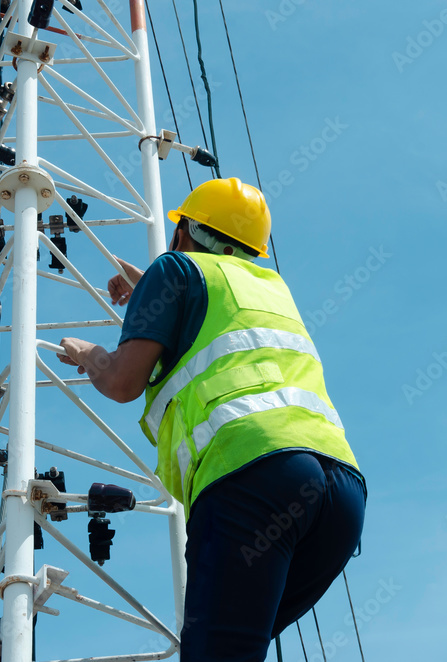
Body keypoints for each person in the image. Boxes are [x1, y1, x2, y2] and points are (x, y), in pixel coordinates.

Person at [58, 177, 365, 662]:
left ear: (187, 231)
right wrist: (149, 291)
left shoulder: (174, 268)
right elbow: (215, 313)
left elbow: (121, 382)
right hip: (339, 494)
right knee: (231, 646)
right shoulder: (271, 287)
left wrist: (86, 353)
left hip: (252, 476)